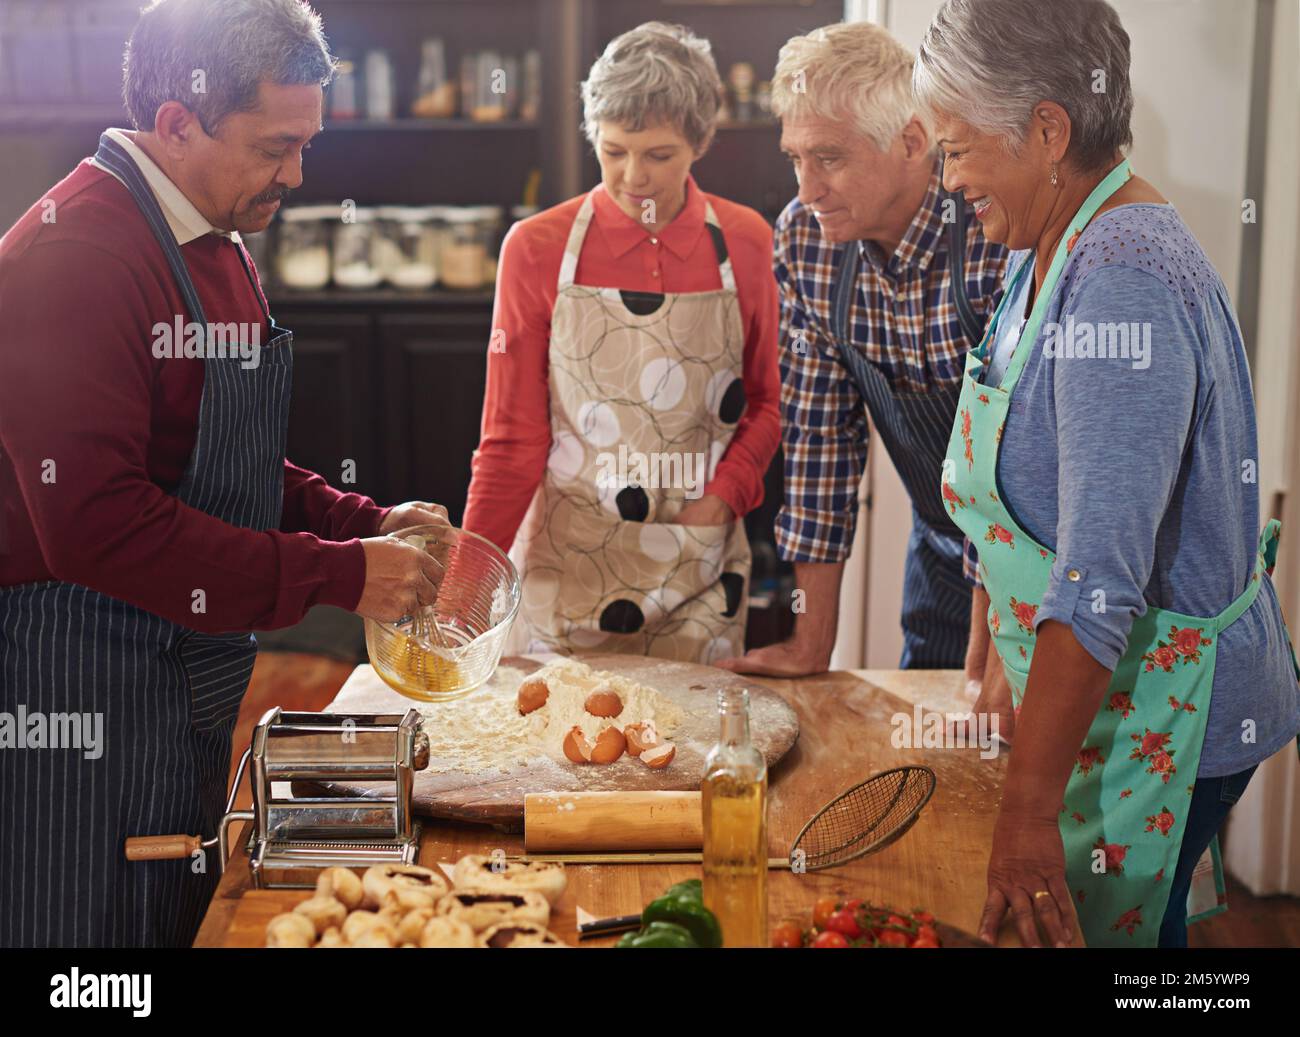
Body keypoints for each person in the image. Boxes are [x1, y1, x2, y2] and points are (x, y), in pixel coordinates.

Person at [0, 0, 445, 947]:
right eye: (275, 146)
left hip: (176, 672)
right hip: (76, 683)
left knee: (162, 922)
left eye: (305, 143)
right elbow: (98, 526)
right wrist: (342, 574)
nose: (296, 173)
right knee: (83, 940)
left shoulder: (211, 228)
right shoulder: (77, 257)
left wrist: (359, 518)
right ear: (176, 122)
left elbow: (217, 456)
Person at [914, 0, 1300, 947]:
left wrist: (1026, 811)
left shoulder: (1120, 277)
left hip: (1165, 713)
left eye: (960, 150)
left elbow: (1097, 575)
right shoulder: (1051, 241)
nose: (948, 177)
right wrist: (990, 645)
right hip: (1104, 693)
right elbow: (1014, 497)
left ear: (1049, 128)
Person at [462, 22, 781, 664]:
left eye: (658, 155)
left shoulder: (747, 243)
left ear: (700, 141)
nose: (633, 177)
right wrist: (464, 591)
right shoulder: (536, 250)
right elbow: (511, 441)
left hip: (697, 569)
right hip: (566, 570)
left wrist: (721, 500)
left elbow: (769, 401)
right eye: (613, 151)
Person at [719, 22, 1009, 682]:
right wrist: (809, 641)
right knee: (936, 763)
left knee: (1018, 767)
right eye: (795, 158)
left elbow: (1016, 464)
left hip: (1032, 568)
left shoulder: (993, 233)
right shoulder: (806, 240)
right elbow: (822, 441)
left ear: (913, 141)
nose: (805, 189)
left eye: (829, 157)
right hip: (939, 553)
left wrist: (1003, 636)